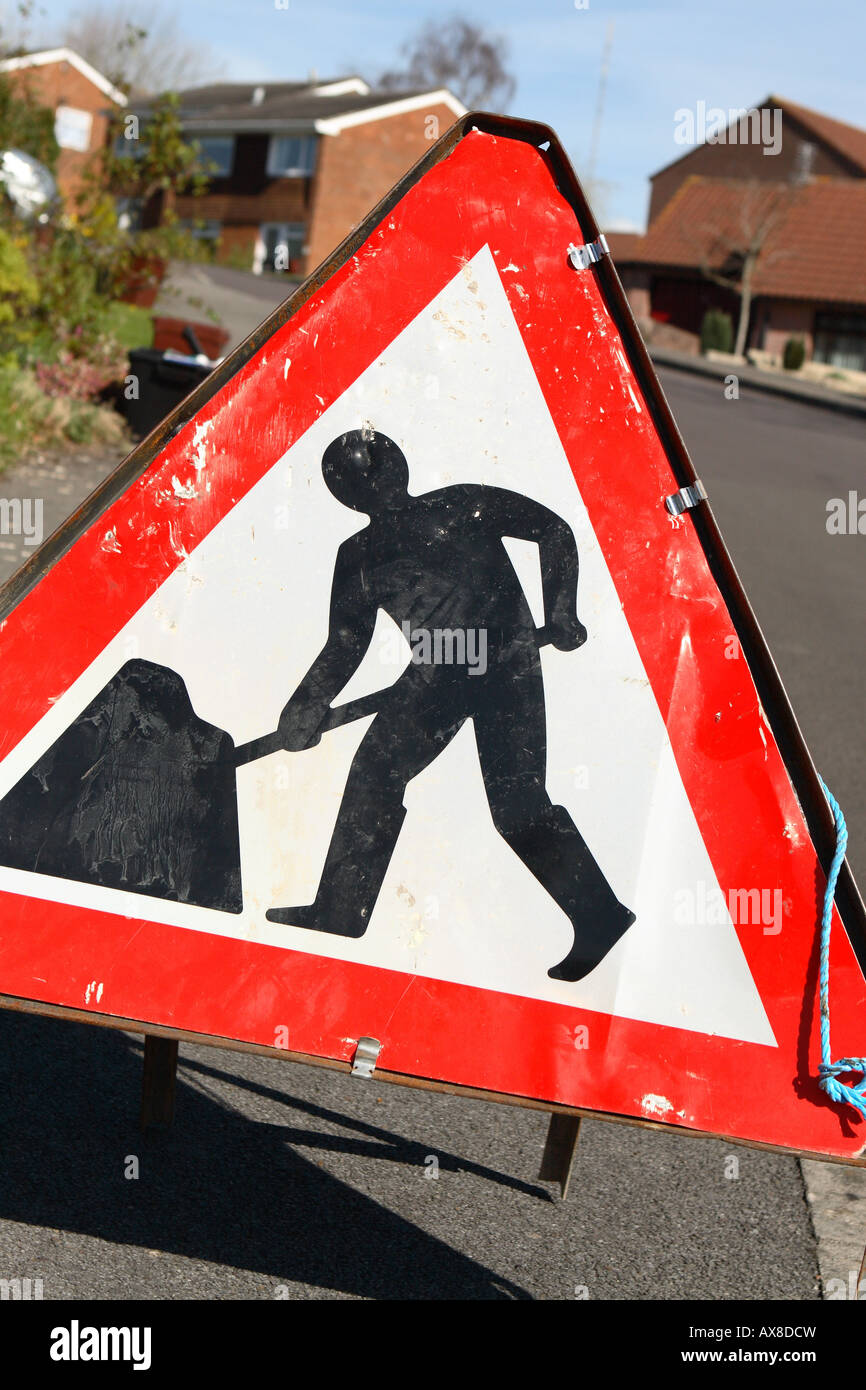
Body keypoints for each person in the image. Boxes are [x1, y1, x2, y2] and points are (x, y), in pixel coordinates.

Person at [266, 428, 635, 982]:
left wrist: (560, 609)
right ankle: (339, 910)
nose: (371, 487)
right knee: (373, 773)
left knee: (518, 804)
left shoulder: (462, 504)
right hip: (434, 674)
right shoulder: (359, 556)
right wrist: (305, 705)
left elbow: (551, 530)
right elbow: (346, 642)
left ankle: (600, 915)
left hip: (504, 662)